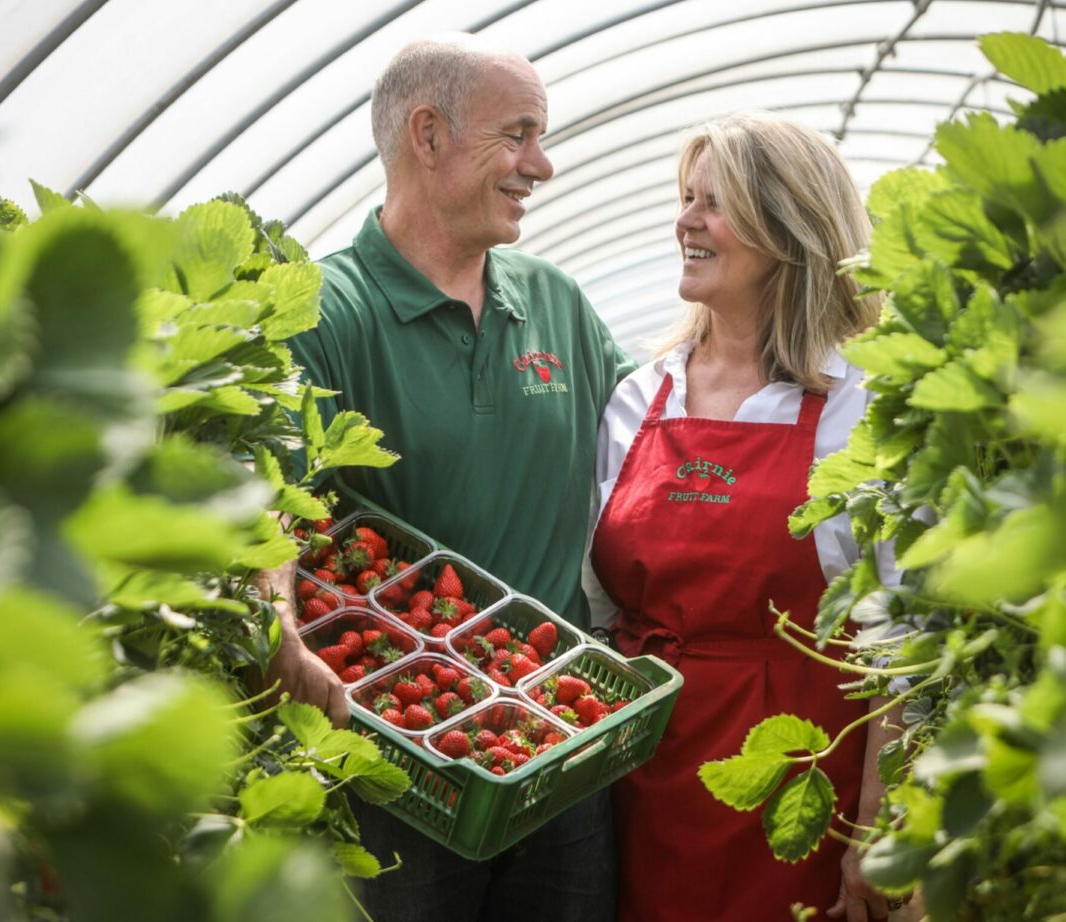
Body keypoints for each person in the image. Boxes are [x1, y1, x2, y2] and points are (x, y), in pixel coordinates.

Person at [259, 34, 634, 922]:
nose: (540, 164)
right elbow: (261, 485)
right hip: (396, 749)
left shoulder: (553, 301)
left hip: (557, 735)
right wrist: (274, 618)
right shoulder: (323, 309)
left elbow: (660, 430)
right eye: (518, 134)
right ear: (427, 135)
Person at [584, 112, 905, 921]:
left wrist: (875, 835)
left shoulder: (857, 406)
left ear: (789, 232)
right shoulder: (639, 396)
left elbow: (903, 651)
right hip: (642, 778)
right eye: (686, 198)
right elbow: (595, 610)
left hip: (798, 785)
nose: (686, 221)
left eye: (714, 204)